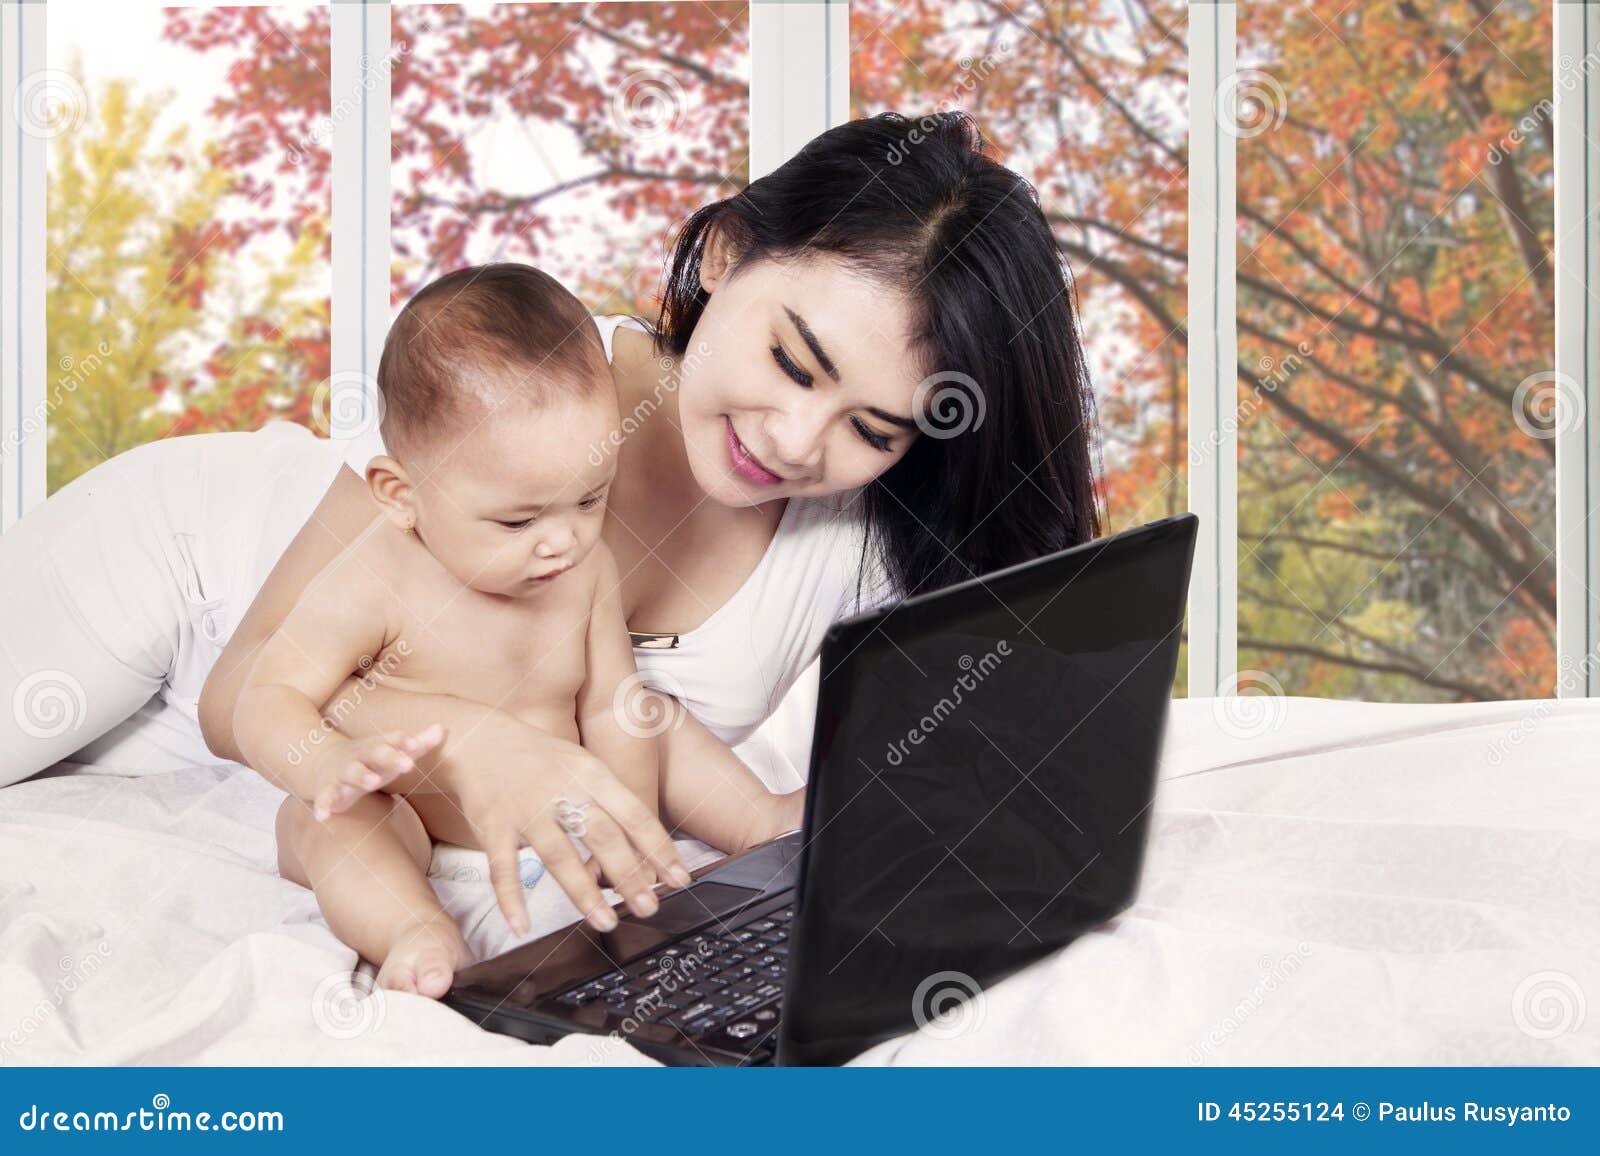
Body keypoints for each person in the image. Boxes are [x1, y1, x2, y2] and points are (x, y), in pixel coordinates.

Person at [0, 111, 1102, 941]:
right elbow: (240, 691)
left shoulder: (856, 540)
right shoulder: (527, 386)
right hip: (180, 578)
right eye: (789, 358)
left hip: (291, 778)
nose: (797, 438)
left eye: (873, 423)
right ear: (722, 257)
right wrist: (482, 742)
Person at [231, 263, 801, 997]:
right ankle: (414, 926)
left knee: (649, 711)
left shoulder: (583, 570)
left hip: (555, 822)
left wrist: (617, 817)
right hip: (422, 833)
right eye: (518, 519)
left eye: (590, 497)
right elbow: (265, 697)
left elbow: (606, 702)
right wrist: (326, 766)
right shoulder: (372, 579)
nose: (561, 540)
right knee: (329, 823)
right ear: (401, 495)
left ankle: (760, 817)